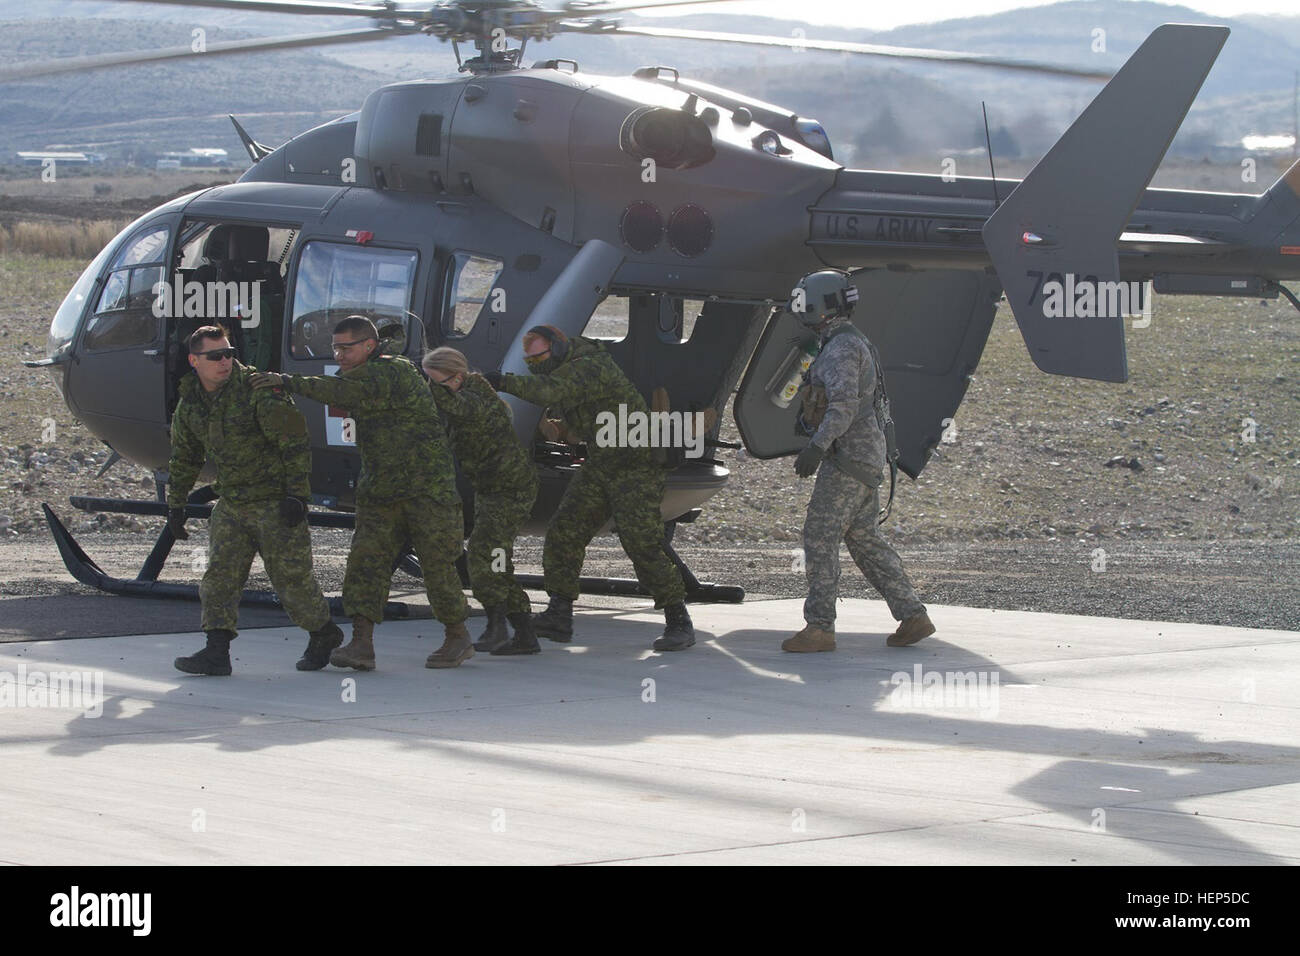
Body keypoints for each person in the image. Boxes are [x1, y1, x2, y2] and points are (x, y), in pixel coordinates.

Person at [250, 316, 471, 670]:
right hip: (381, 489)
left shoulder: (392, 372)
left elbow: (344, 392)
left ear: (369, 345)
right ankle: (361, 643)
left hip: (425, 489)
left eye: (346, 347)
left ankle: (457, 636)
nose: (339, 355)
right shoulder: (362, 374)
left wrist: (288, 381)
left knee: (437, 566)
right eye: (335, 347)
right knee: (366, 565)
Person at [484, 325, 694, 652]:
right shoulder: (570, 369)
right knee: (565, 530)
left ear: (556, 348)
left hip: (635, 463)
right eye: (531, 358)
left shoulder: (589, 364)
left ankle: (678, 620)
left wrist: (503, 381)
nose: (536, 362)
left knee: (642, 543)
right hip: (602, 462)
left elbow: (550, 392)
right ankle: (560, 613)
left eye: (540, 356)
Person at [167, 325, 342, 676]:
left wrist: (296, 496)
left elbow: (293, 443)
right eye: (215, 356)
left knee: (291, 581)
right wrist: (176, 505)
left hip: (273, 502)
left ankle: (324, 633)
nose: (225, 361)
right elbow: (185, 456)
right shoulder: (192, 404)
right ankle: (216, 652)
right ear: (194, 361)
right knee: (218, 579)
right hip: (232, 502)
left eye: (229, 353)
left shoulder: (259, 391)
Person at [785, 270, 935, 652]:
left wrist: (816, 448)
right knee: (864, 539)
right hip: (862, 457)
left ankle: (819, 628)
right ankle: (912, 615)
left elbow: (842, 408)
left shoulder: (840, 349)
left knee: (819, 536)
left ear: (821, 304)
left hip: (847, 459)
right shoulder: (843, 341)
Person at [423, 346, 540, 655]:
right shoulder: (458, 396)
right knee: (495, 558)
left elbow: (462, 409)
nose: (432, 388)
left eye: (437, 382)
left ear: (458, 377)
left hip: (511, 489)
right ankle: (523, 632)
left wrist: (435, 393)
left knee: (483, 555)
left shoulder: (479, 400)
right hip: (492, 489)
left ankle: (497, 624)